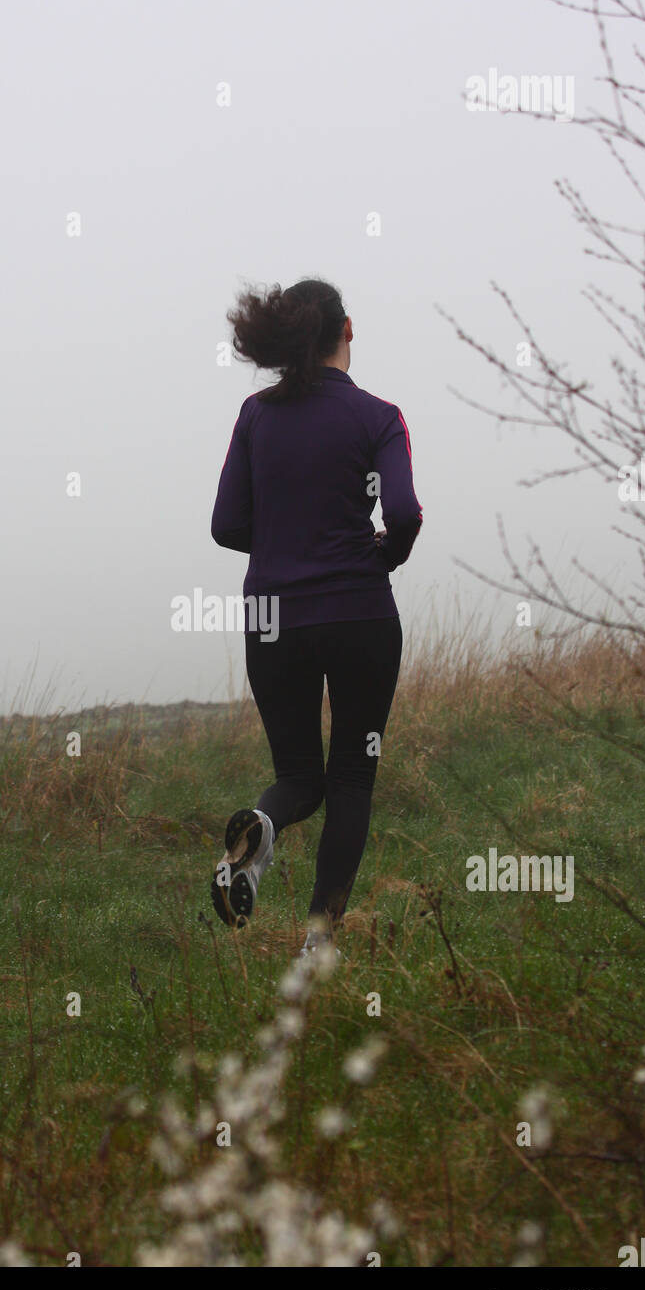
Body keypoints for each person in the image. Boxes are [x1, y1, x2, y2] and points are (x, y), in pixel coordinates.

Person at [209, 277, 423, 956]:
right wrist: (387, 554)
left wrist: (285, 545)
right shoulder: (379, 416)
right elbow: (406, 512)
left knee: (299, 776)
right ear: (347, 331)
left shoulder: (254, 415)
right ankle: (317, 941)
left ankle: (260, 833)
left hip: (275, 617)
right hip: (361, 612)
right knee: (352, 777)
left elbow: (225, 525)